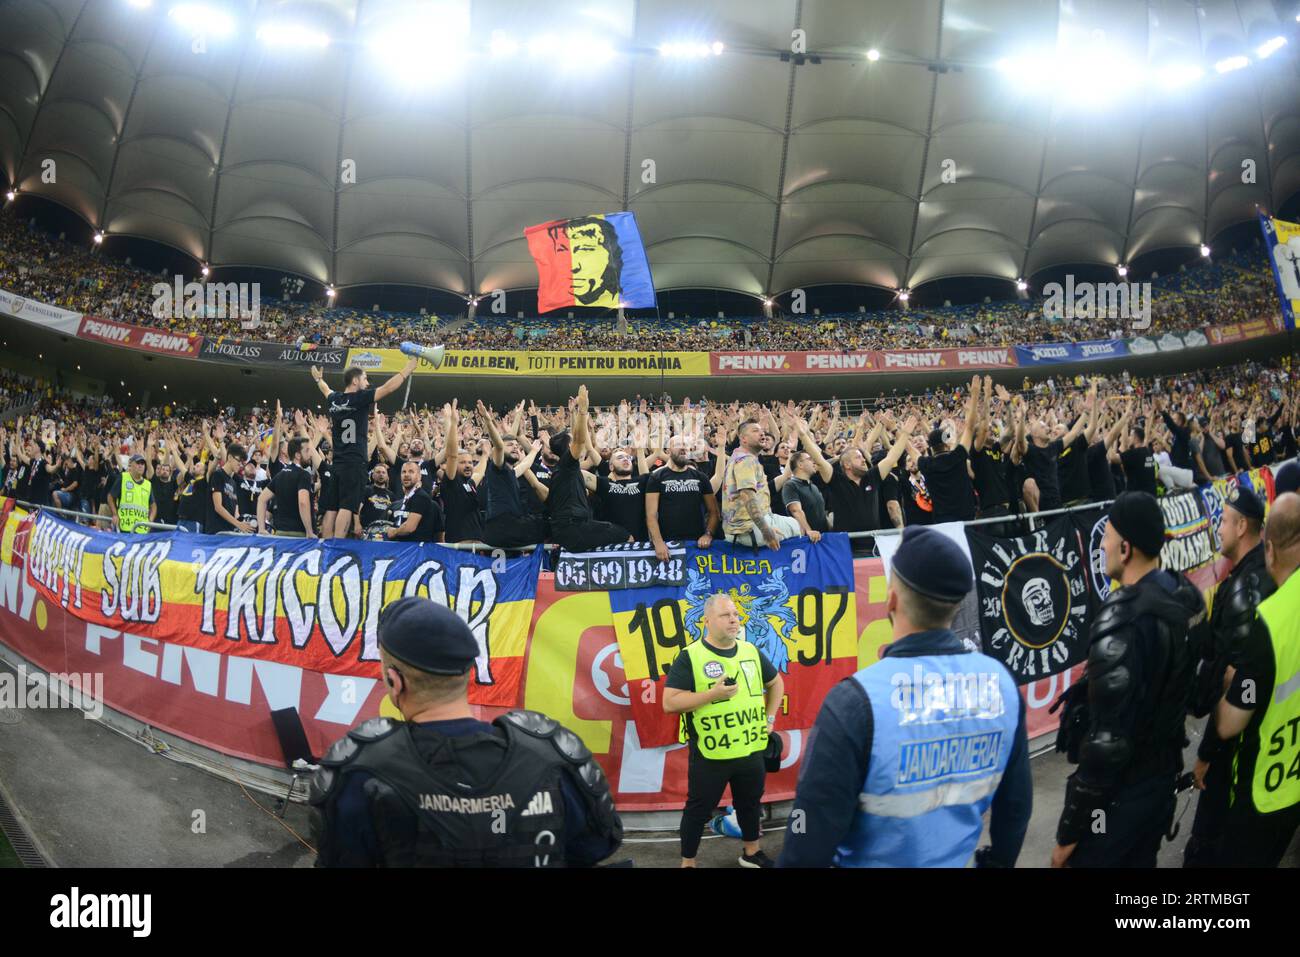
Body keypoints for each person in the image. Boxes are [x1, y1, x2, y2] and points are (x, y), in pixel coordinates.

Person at [778, 526, 1031, 867]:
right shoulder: (1001, 684)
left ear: (891, 599)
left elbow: (808, 839)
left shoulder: (855, 701)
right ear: (956, 606)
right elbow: (1015, 807)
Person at [309, 597, 624, 867]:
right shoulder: (552, 757)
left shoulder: (361, 772)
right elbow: (596, 846)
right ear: (468, 673)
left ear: (395, 681)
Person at [1052, 491, 1204, 868]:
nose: (1101, 544)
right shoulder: (1186, 596)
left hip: (1117, 802)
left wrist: (1070, 833)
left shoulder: (1120, 621)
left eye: (1108, 535)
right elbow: (1204, 692)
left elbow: (1106, 746)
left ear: (1125, 548)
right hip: (1161, 782)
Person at [1205, 492, 1300, 866]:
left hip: (1262, 791)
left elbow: (1229, 723)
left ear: (1269, 547)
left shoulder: (1269, 621)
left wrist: (1224, 680)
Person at [1183, 485, 1272, 866]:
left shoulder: (1246, 589)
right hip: (1250, 742)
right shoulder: (1251, 575)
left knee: (1208, 841)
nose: (1217, 529)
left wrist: (1206, 754)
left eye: (1223, 521)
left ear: (1241, 527)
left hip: (1233, 744)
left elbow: (1234, 684)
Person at [664, 593, 784, 868]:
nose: (733, 619)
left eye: (735, 615)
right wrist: (712, 694)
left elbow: (776, 683)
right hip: (711, 753)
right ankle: (688, 863)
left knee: (750, 804)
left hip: (751, 747)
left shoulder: (750, 650)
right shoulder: (691, 656)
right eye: (725, 615)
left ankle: (751, 853)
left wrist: (770, 718)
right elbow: (670, 703)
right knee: (698, 809)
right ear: (707, 621)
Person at [310, 358, 416, 539]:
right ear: (355, 381)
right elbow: (389, 387)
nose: (367, 383)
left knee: (332, 508)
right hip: (354, 463)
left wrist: (319, 380)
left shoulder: (335, 400)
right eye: (365, 379)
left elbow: (326, 390)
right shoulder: (360, 398)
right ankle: (338, 544)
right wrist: (407, 369)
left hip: (337, 462)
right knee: (346, 506)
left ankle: (325, 547)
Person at [546, 386, 631, 552]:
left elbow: (573, 436)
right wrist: (583, 410)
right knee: (625, 536)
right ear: (569, 447)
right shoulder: (566, 465)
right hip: (573, 529)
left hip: (571, 528)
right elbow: (577, 440)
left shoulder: (566, 468)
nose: (584, 441)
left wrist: (573, 414)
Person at [721, 419, 806, 549]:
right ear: (743, 439)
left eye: (762, 431)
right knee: (799, 526)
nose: (762, 434)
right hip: (750, 529)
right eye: (755, 431)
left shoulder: (740, 457)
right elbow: (747, 495)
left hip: (743, 528)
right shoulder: (746, 460)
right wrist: (766, 531)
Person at [476, 401, 548, 549]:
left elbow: (525, 465)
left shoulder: (510, 472)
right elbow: (500, 445)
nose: (515, 447)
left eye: (517, 446)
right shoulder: (497, 467)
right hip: (502, 527)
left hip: (509, 527)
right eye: (511, 446)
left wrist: (534, 451)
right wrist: (488, 420)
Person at [917, 376, 981, 523]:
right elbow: (970, 427)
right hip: (967, 518)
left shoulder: (926, 464)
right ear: (946, 444)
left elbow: (911, 449)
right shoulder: (958, 455)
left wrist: (899, 430)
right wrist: (975, 395)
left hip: (942, 522)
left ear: (930, 448)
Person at [646, 434, 719, 560]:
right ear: (668, 451)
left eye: (686, 445)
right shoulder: (656, 477)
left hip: (697, 543)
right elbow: (651, 515)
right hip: (668, 544)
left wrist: (708, 534)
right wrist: (658, 542)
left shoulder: (701, 477)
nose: (683, 447)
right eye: (678, 444)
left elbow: (714, 512)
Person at [259, 437, 315, 538]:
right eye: (307, 451)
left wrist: (261, 528)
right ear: (298, 455)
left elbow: (262, 499)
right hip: (299, 535)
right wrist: (309, 531)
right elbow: (303, 502)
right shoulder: (303, 475)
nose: (310, 454)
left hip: (280, 534)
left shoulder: (280, 474)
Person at [386, 460, 444, 543]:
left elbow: (409, 528)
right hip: (403, 551)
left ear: (419, 476)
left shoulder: (420, 496)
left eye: (411, 472)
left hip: (416, 552)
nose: (406, 475)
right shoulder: (405, 500)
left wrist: (394, 532)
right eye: (403, 472)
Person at [205, 444, 251, 534]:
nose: (241, 465)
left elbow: (235, 510)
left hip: (229, 532)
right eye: (239, 461)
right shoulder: (218, 475)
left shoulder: (233, 482)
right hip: (216, 532)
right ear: (229, 457)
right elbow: (218, 507)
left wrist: (241, 522)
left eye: (242, 462)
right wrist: (238, 524)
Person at [107, 453, 156, 534]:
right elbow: (110, 497)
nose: (141, 466)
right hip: (124, 528)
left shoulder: (148, 484)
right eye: (138, 463)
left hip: (142, 530)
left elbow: (153, 506)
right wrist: (115, 514)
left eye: (143, 464)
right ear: (131, 464)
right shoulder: (123, 477)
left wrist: (150, 521)